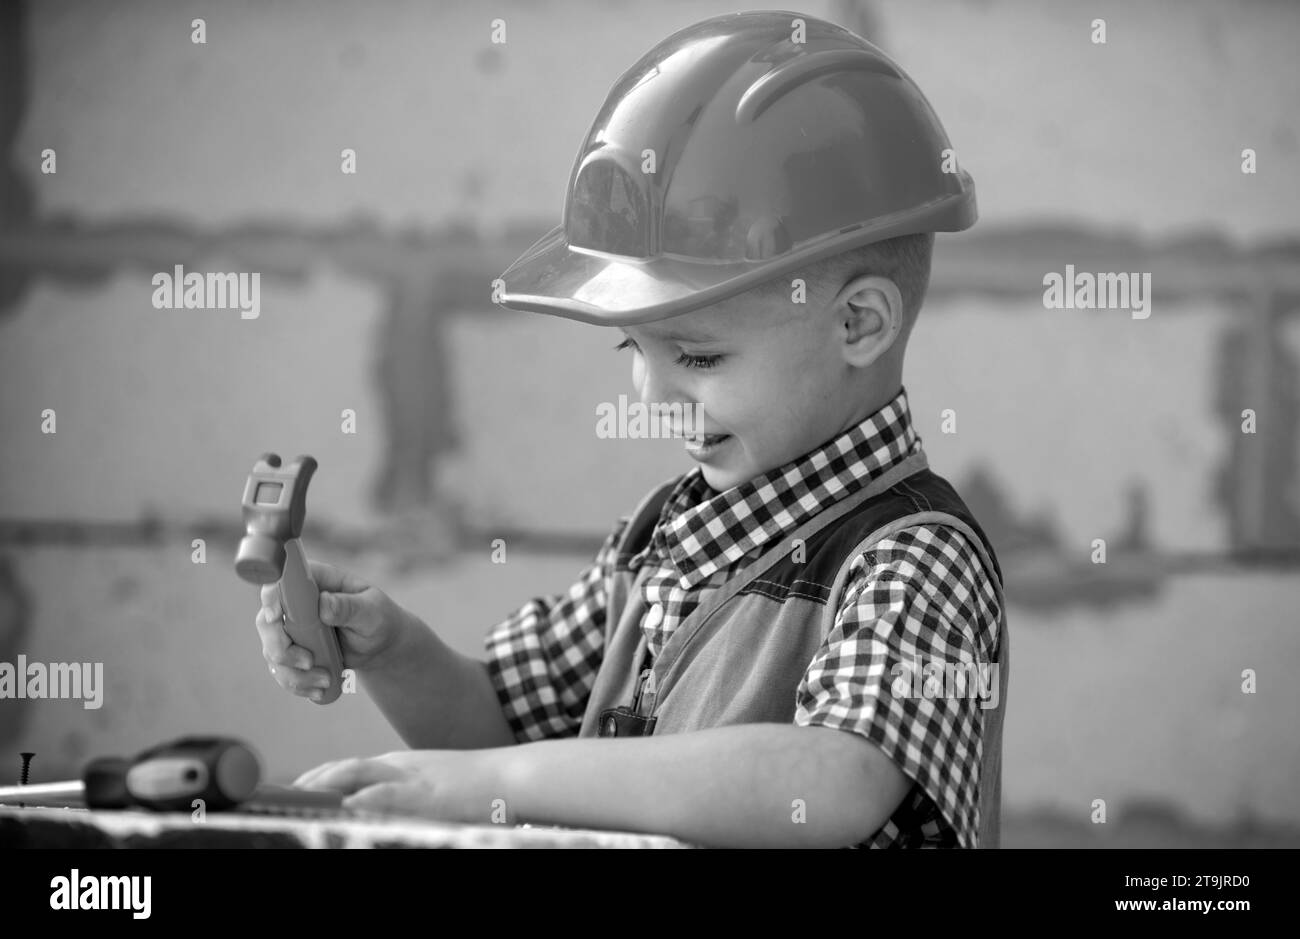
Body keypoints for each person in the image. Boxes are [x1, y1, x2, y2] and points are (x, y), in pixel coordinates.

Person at [257, 10, 1008, 848]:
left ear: (859, 324)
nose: (650, 395)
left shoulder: (915, 558)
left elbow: (833, 778)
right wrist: (393, 649)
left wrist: (488, 783)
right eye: (633, 347)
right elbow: (503, 733)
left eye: (698, 356)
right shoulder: (661, 540)